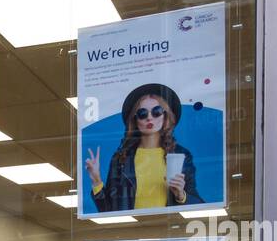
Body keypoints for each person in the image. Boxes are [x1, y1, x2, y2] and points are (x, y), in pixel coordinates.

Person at [85, 83, 204, 212]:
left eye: (156, 111)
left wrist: (181, 195)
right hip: (132, 229)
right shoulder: (121, 159)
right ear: (135, 119)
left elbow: (198, 204)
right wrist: (96, 181)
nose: (149, 117)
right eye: (142, 113)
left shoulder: (181, 155)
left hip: (169, 229)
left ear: (165, 116)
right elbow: (108, 211)